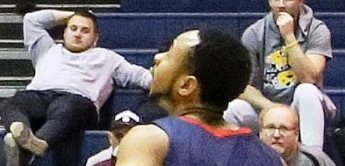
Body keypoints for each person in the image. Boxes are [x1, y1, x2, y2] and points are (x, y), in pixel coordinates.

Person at [0, 9, 151, 166]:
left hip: (77, 103)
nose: (78, 34)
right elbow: (31, 20)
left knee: (67, 107)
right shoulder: (47, 50)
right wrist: (72, 15)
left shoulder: (107, 58)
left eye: (85, 31)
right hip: (40, 96)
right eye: (73, 28)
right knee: (11, 102)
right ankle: (22, 136)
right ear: (64, 33)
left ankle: (36, 144)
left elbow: (139, 76)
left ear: (95, 38)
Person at [116, 29, 283, 166]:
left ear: (186, 86)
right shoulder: (270, 157)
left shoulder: (149, 140)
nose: (157, 57)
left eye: (170, 55)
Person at [225, 0, 335, 150]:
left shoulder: (317, 30)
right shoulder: (254, 33)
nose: (281, 4)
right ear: (269, 1)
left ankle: (311, 157)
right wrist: (272, 108)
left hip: (303, 107)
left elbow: (310, 77)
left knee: (307, 91)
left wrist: (289, 36)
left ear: (300, 1)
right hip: (267, 108)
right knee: (233, 108)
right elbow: (243, 87)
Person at [259, 105, 334, 166]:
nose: (276, 135)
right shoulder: (252, 157)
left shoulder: (315, 160)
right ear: (261, 133)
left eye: (283, 129)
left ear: (296, 134)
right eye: (271, 128)